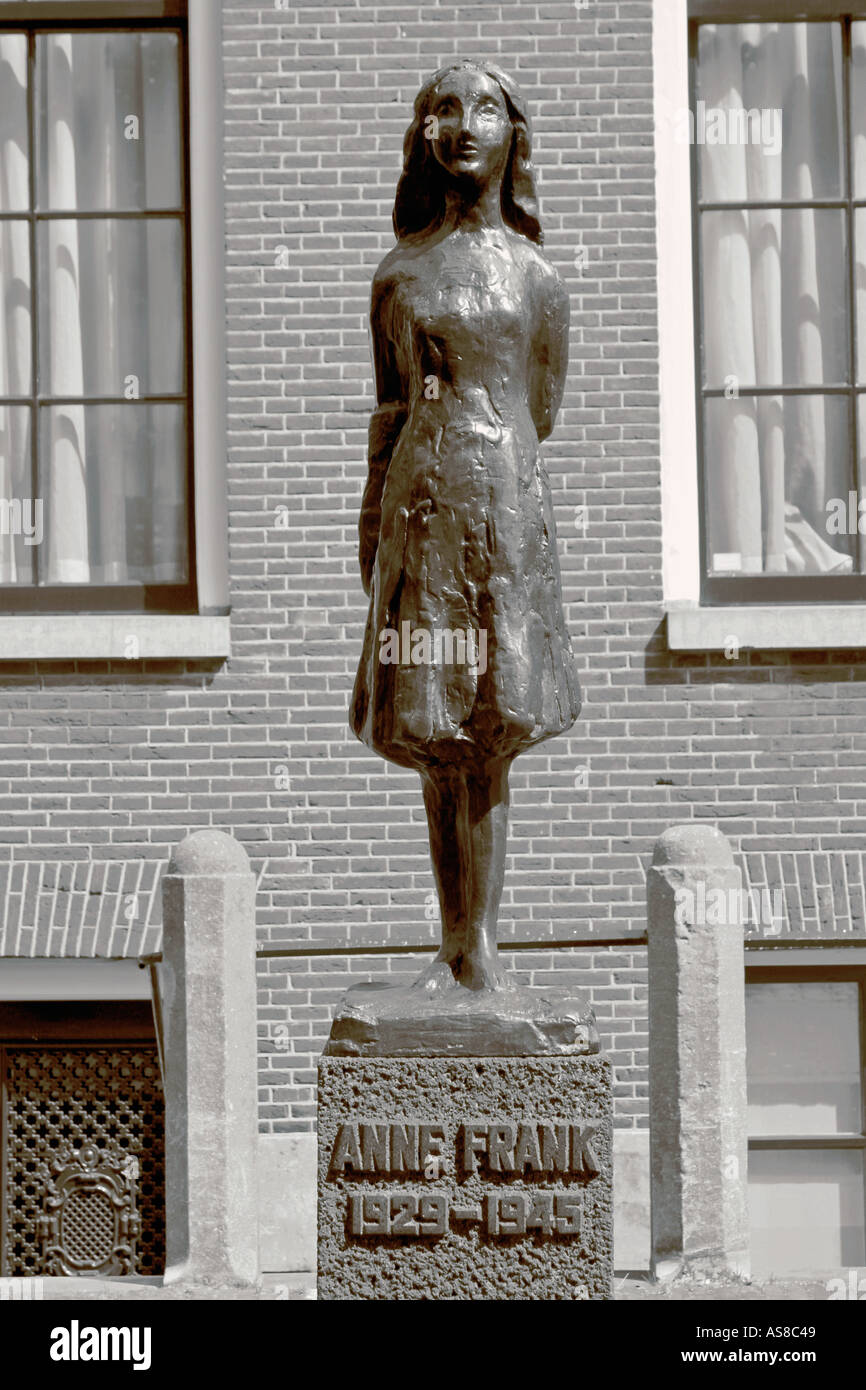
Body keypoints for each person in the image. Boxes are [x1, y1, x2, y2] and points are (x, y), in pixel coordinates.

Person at [350, 60, 581, 992]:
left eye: (485, 108)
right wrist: (373, 520)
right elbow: (390, 410)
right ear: (424, 136)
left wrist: (492, 476)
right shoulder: (398, 275)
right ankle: (451, 941)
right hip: (420, 511)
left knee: (489, 730)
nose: (464, 125)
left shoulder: (536, 278)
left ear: (511, 134)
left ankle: (479, 945)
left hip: (503, 515)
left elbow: (541, 407)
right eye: (444, 109)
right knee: (432, 727)